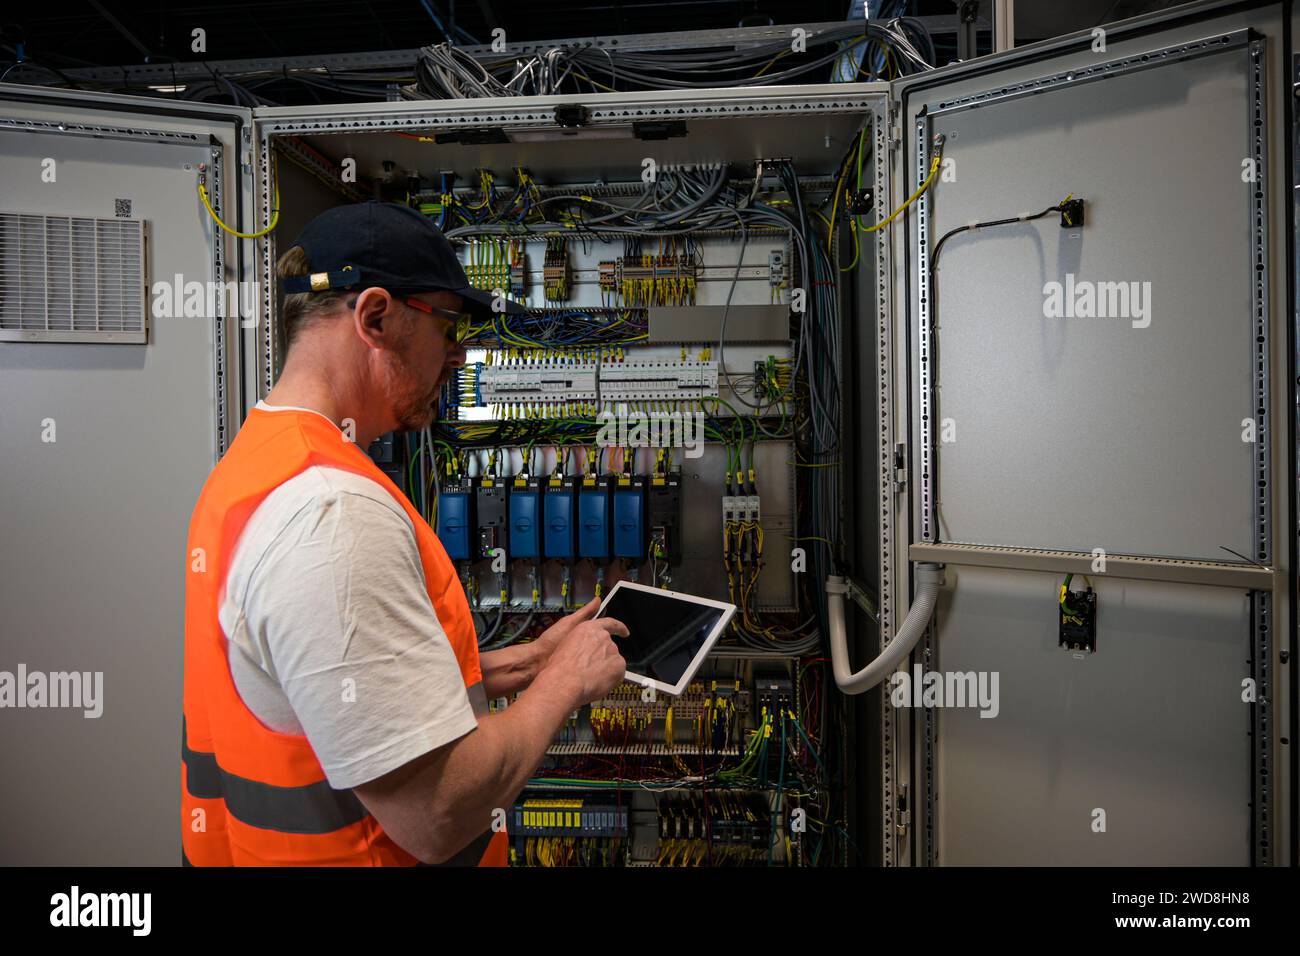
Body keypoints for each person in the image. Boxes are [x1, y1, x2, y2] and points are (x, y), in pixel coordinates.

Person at [181, 201, 627, 866]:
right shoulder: (332, 514)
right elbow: (436, 812)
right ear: (376, 318)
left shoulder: (257, 464)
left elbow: (332, 696)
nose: (458, 356)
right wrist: (563, 684)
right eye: (448, 326)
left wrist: (527, 665)